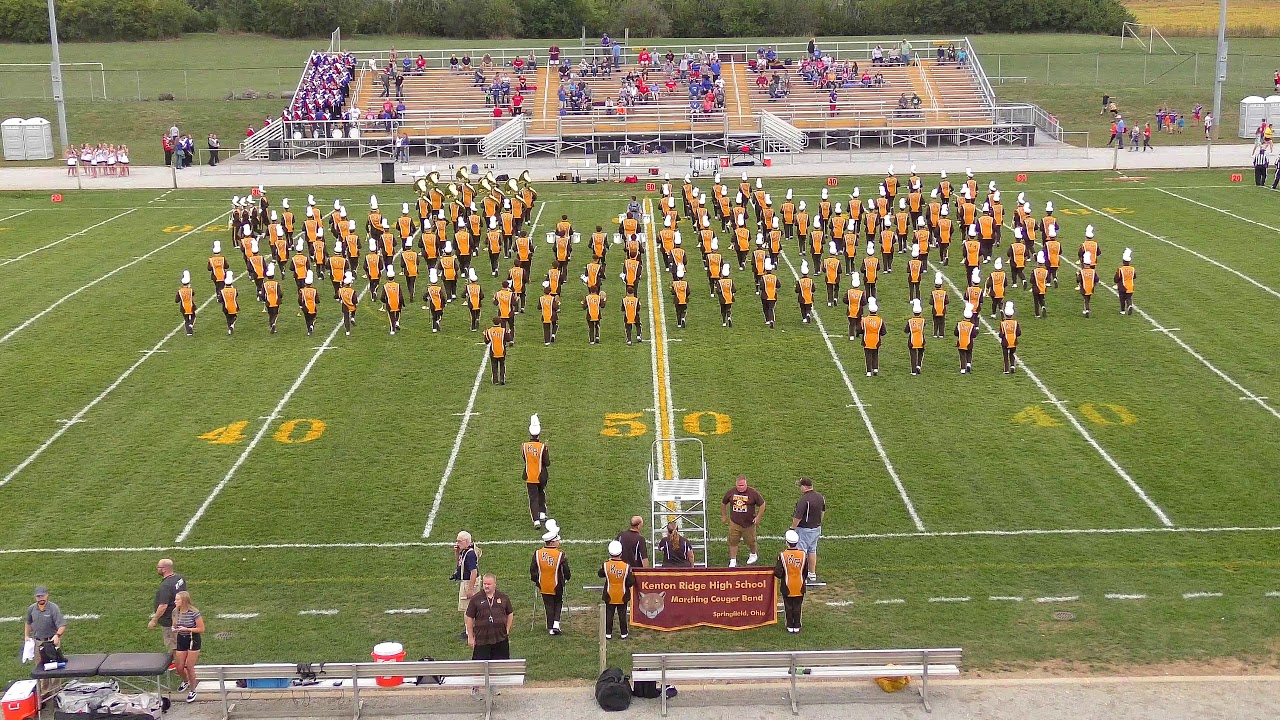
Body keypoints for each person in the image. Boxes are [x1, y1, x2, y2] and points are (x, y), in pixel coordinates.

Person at [531, 526, 570, 635]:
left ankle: (550, 627)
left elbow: (533, 569)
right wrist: (567, 578)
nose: (559, 542)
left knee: (548, 604)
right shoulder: (560, 555)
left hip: (543, 584)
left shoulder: (537, 553)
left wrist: (536, 580)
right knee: (558, 602)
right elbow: (566, 569)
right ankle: (556, 623)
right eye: (557, 540)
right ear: (552, 542)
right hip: (557, 584)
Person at [465, 574, 514, 660]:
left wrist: (507, 629)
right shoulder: (476, 599)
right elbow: (469, 617)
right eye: (484, 584)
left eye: (489, 584)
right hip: (482, 640)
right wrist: (470, 637)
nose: (486, 586)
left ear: (495, 584)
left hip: (500, 639)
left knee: (501, 666)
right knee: (480, 668)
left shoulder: (503, 597)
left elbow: (510, 613)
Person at [721, 475, 765, 567]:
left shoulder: (753, 493)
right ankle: (733, 560)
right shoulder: (731, 492)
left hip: (749, 524)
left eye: (743, 485)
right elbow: (724, 502)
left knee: (751, 541)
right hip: (735, 523)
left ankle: (753, 554)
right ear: (736, 484)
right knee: (733, 541)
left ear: (746, 484)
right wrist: (724, 515)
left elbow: (762, 504)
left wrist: (758, 517)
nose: (741, 487)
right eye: (739, 485)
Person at [147, 558, 188, 651]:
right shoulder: (180, 578)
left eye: (158, 567)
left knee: (173, 645)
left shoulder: (165, 586)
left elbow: (163, 605)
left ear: (164, 569)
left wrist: (154, 620)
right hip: (182, 615)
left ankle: (179, 664)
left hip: (170, 620)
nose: (157, 569)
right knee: (182, 643)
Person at [790, 477, 825, 582]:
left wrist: (792, 528)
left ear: (804, 486)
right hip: (816, 528)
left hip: (804, 529)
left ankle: (802, 575)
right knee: (812, 550)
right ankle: (812, 573)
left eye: (800, 486)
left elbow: (798, 517)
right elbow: (822, 512)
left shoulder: (804, 499)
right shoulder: (820, 497)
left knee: (801, 552)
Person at [171, 591, 204, 703]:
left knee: (189, 666)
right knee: (179, 667)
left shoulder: (194, 612)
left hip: (192, 639)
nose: (175, 601)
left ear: (184, 601)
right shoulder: (176, 611)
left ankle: (193, 690)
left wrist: (187, 629)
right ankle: (186, 680)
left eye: (177, 599)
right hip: (181, 638)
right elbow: (175, 624)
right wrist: (174, 628)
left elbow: (201, 629)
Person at [599, 541, 635, 639]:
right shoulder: (626, 566)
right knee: (622, 614)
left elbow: (600, 574)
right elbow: (631, 581)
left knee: (609, 614)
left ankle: (608, 633)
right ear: (621, 552)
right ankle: (624, 633)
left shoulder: (605, 565)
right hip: (622, 594)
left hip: (609, 593)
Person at [774, 530, 807, 634]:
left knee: (788, 606)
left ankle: (789, 625)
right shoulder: (803, 554)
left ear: (787, 542)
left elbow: (778, 572)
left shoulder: (783, 555)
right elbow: (805, 572)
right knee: (798, 606)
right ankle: (797, 625)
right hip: (800, 584)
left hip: (787, 585)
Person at [452, 531, 481, 641]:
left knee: (468, 608)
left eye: (459, 541)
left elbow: (473, 572)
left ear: (467, 541)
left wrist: (470, 588)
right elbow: (459, 564)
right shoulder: (465, 551)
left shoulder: (469, 554)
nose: (457, 543)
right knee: (468, 608)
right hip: (467, 581)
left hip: (469, 582)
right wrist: (457, 552)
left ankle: (469, 631)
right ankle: (470, 629)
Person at [522, 414, 550, 527]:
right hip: (541, 475)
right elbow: (547, 463)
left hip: (530, 475)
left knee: (533, 497)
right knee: (541, 492)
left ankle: (536, 519)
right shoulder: (542, 447)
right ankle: (542, 513)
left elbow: (525, 459)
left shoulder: (524, 446)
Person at [484, 316, 510, 385]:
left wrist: (485, 334)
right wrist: (508, 332)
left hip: (493, 351)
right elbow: (508, 339)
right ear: (500, 322)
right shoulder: (503, 330)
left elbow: (486, 341)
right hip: (502, 350)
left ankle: (495, 380)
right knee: (502, 365)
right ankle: (502, 379)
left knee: (494, 366)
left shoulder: (489, 331)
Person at [999, 301, 1020, 374]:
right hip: (1013, 341)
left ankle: (1006, 369)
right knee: (1012, 353)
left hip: (1005, 341)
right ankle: (1012, 365)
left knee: (1005, 356)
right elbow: (1018, 333)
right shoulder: (1015, 323)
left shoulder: (1002, 323)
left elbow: (1001, 334)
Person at [1115, 248, 1136, 315]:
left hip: (1122, 286)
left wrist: (1116, 282)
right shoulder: (1132, 269)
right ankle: (1129, 305)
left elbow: (1117, 278)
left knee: (1122, 298)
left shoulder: (1120, 269)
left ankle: (1123, 310)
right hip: (1130, 286)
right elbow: (1134, 276)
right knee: (1129, 298)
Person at [176, 271, 196, 336]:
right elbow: (193, 294)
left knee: (186, 319)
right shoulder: (191, 290)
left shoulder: (179, 291)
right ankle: (191, 324)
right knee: (193, 317)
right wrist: (189, 288)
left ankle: (189, 332)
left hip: (183, 307)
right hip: (191, 306)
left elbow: (176, 300)